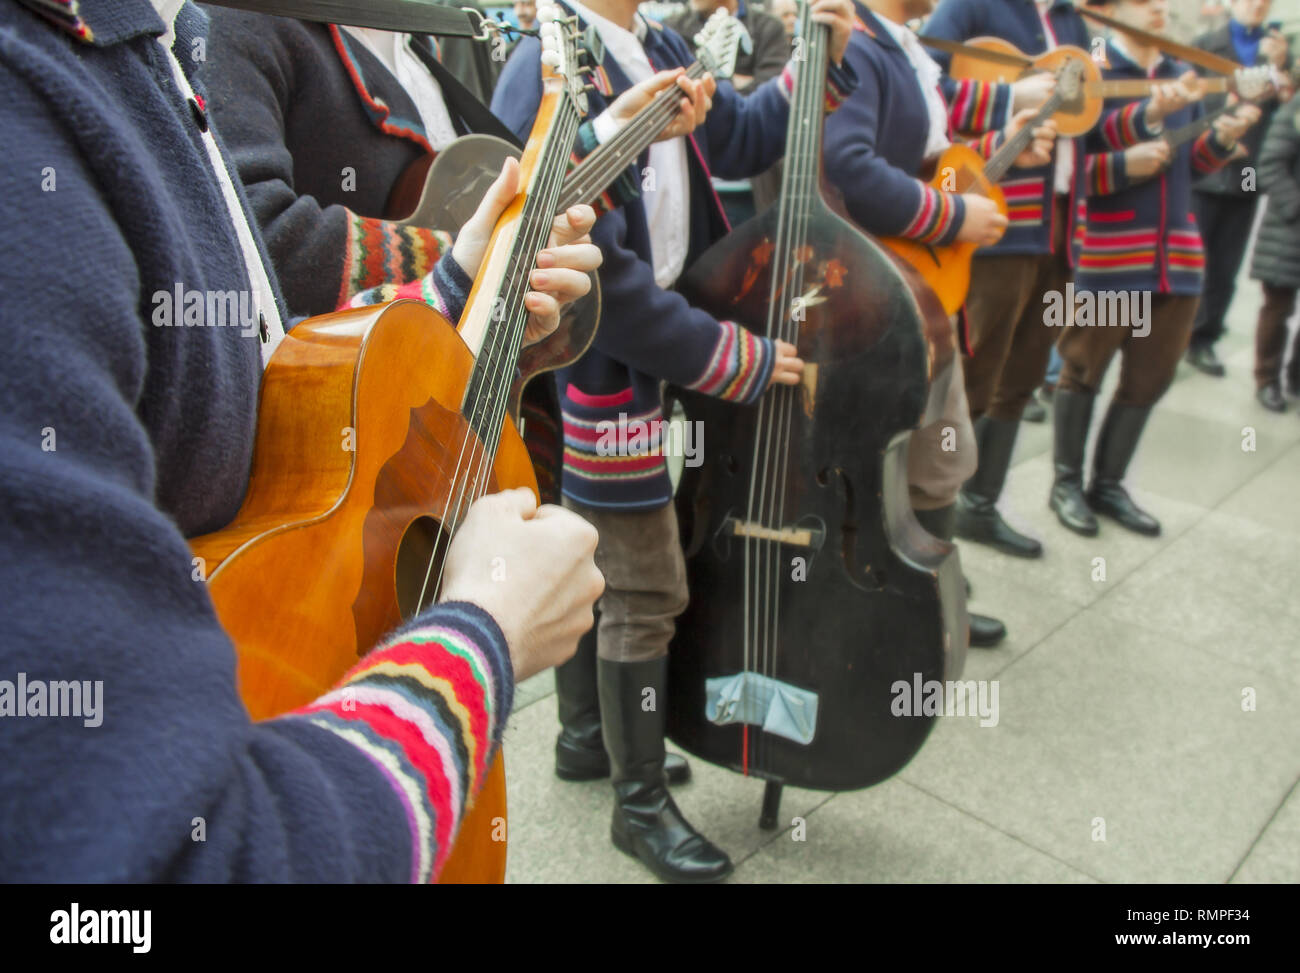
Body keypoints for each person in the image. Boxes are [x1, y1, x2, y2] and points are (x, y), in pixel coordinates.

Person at [0, 0, 604, 882]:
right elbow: (143, 864)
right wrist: (486, 633)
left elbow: (259, 372)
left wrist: (456, 283)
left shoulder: (125, 39)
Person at [493, 0, 858, 883]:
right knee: (645, 588)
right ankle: (641, 804)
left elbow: (739, 140)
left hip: (655, 354)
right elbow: (594, 278)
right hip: (602, 370)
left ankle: (587, 737)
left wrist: (819, 57)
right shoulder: (541, 62)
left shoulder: (654, 44)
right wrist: (731, 354)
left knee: (595, 562)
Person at [920, 0, 1192, 560]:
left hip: (1062, 231)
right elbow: (926, 91)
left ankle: (978, 506)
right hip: (994, 222)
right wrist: (1010, 102)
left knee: (1019, 378)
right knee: (966, 385)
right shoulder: (973, 8)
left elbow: (1085, 124)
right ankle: (925, 538)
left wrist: (1148, 116)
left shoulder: (1070, 24)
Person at [823, 0, 1057, 649]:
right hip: (885, 300)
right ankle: (899, 618)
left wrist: (996, 136)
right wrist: (953, 218)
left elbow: (927, 139)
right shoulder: (866, 47)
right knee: (910, 464)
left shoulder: (894, 44)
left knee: (937, 462)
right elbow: (852, 169)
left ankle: (924, 610)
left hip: (916, 295)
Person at [1049, 0, 1257, 537]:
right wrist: (1122, 164)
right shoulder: (1091, 74)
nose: (1160, 8)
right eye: (1144, 2)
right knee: (1083, 369)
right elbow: (1068, 170)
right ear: (1111, 11)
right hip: (1110, 254)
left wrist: (1222, 140)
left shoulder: (1180, 77)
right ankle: (1066, 483)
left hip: (1178, 258)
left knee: (1151, 377)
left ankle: (1109, 484)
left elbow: (1191, 164)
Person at [1185, 0, 1294, 377]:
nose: (1258, 6)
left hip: (1247, 171)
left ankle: (1204, 337)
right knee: (1191, 257)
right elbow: (1193, 104)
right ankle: (1176, 331)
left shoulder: (1281, 52)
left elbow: (1288, 116)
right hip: (1205, 166)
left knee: (1226, 264)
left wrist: (1279, 69)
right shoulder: (1205, 45)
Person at [1249, 87, 1300, 412]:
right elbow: (1269, 164)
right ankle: (1267, 380)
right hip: (1290, 228)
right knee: (1278, 307)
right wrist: (1295, 206)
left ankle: (1297, 376)